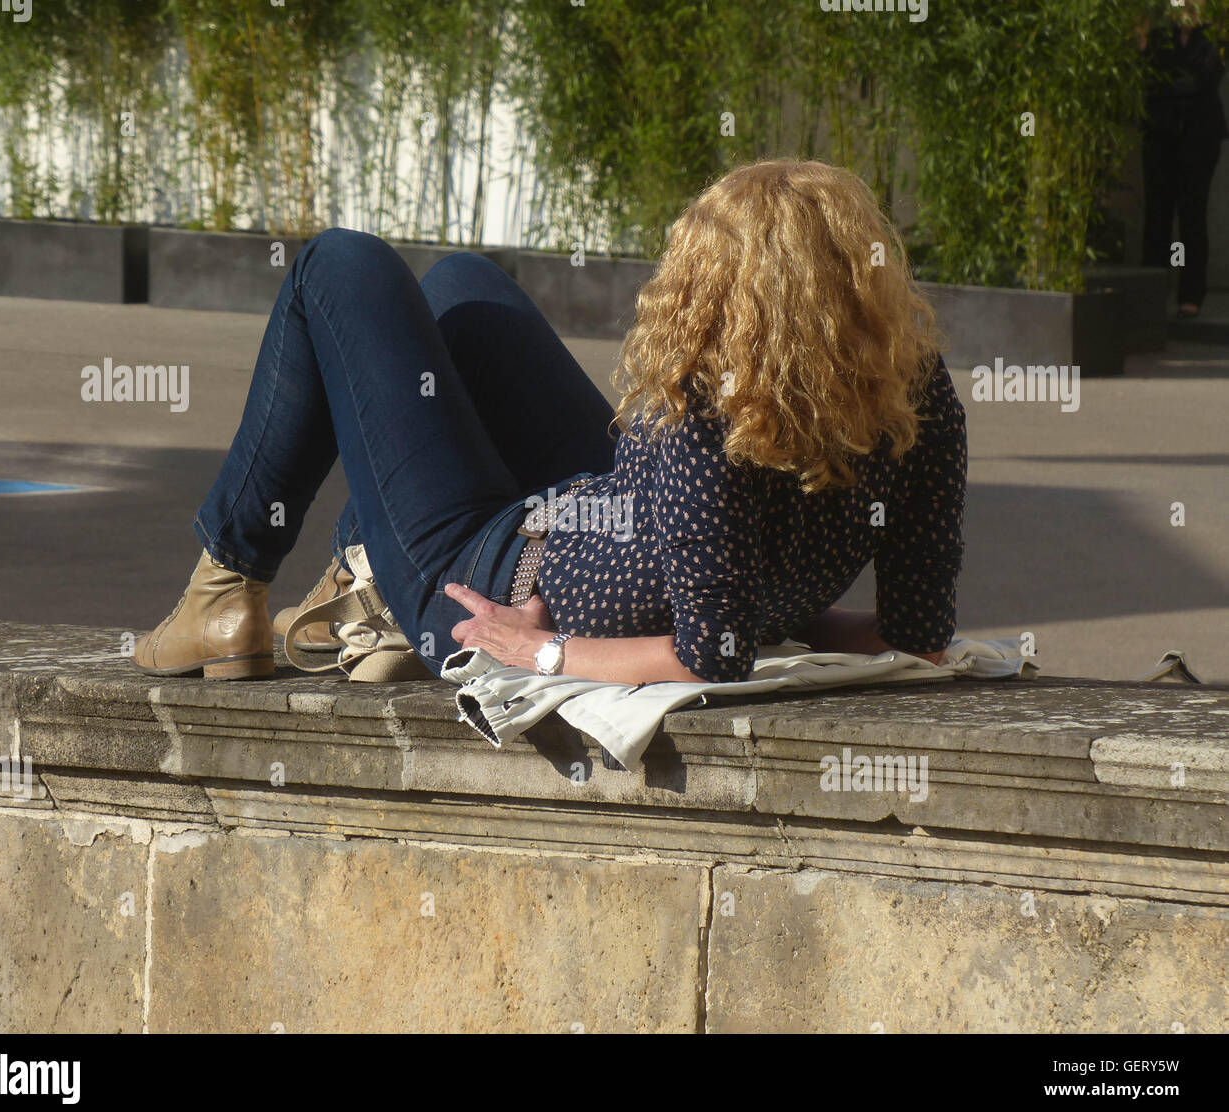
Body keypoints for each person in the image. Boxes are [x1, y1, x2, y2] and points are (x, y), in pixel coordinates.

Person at [131, 158, 966, 686]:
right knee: (463, 288)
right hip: (603, 524)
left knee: (338, 264)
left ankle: (230, 584)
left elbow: (707, 659)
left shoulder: (702, 418)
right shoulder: (916, 397)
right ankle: (365, 567)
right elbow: (915, 636)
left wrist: (543, 653)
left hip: (493, 580)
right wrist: (766, 607)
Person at [1139, 3, 1228, 317]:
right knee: (1157, 214)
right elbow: (1150, 76)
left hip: (1199, 135)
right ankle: (1151, 295)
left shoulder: (1214, 35)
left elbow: (1206, 77)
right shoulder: (1159, 34)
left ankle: (1190, 296)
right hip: (1161, 131)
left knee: (1192, 213)